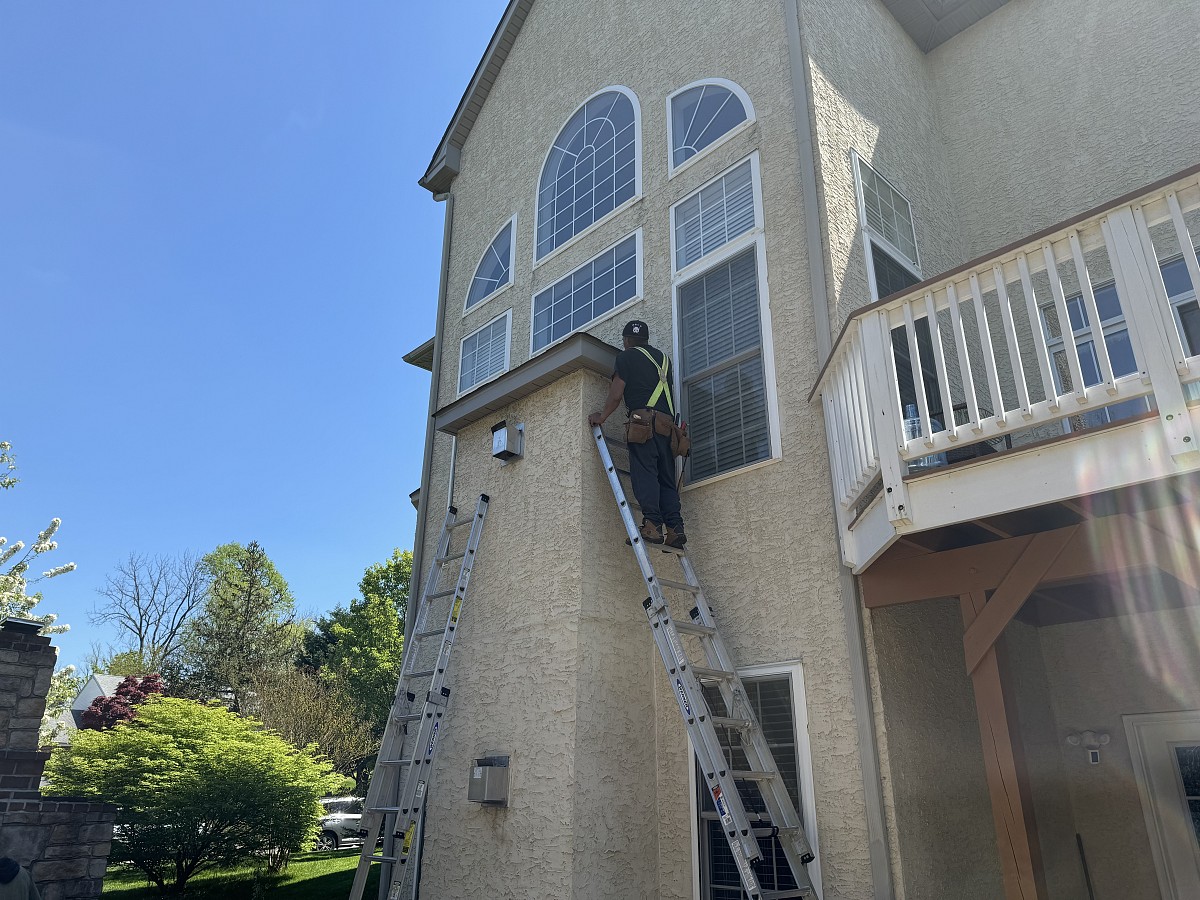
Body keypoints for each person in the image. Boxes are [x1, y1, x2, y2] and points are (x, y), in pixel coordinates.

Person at [589, 320, 687, 548]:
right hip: (667, 428)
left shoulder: (626, 358)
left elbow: (616, 394)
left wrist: (601, 417)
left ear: (626, 341)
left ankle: (652, 526)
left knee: (645, 475)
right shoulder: (664, 360)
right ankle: (674, 528)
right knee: (665, 479)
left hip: (644, 425)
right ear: (646, 339)